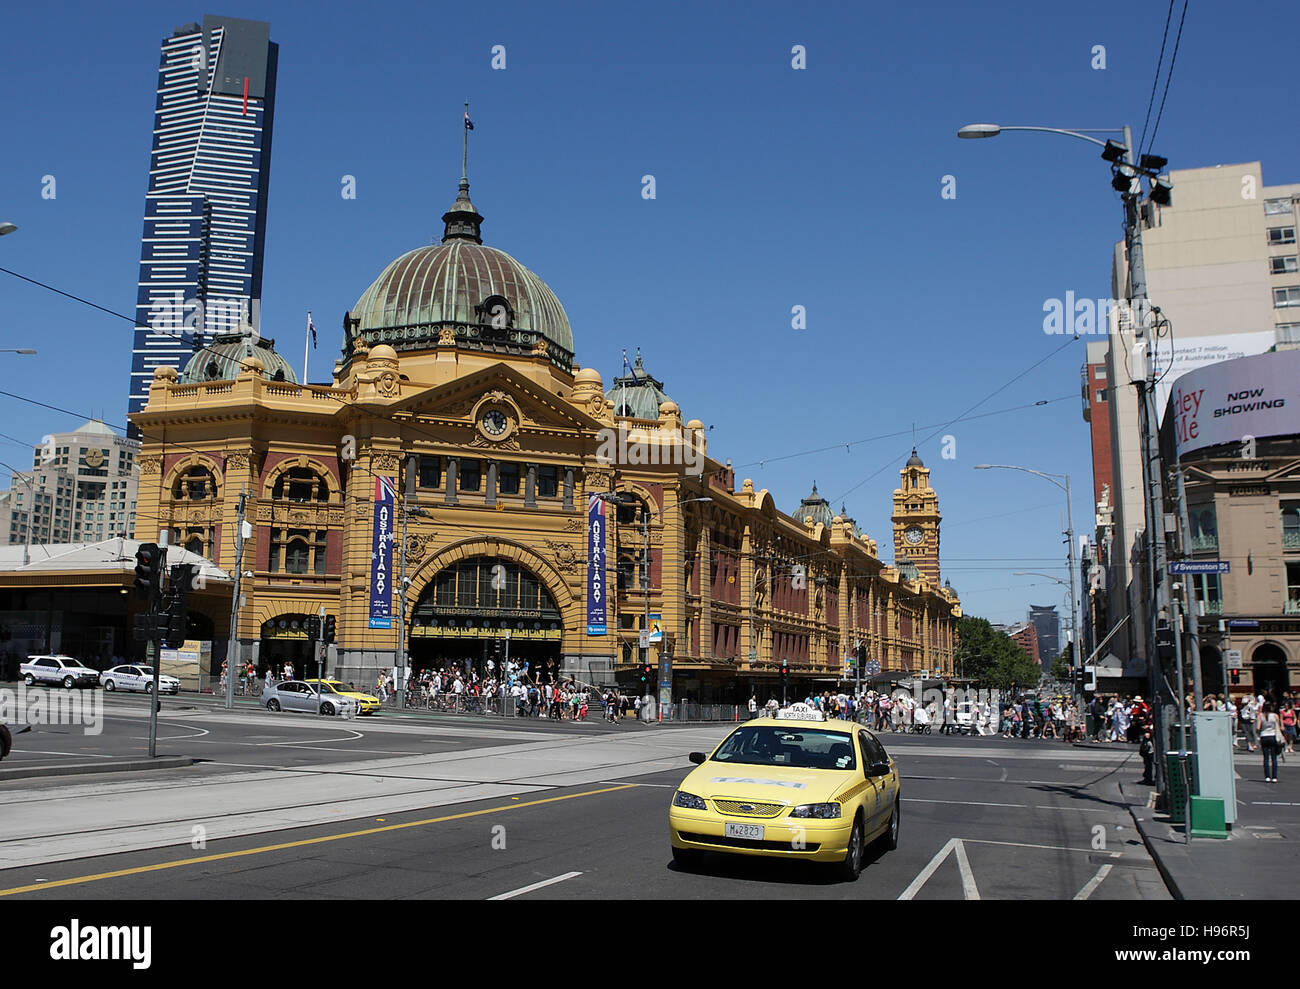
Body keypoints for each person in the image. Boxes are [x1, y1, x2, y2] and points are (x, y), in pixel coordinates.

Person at [1258, 701, 1283, 782]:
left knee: (1265, 758)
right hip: (1273, 736)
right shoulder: (1275, 716)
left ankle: (1267, 776)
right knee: (1274, 757)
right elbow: (1279, 727)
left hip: (1264, 736)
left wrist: (1258, 734)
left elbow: (1258, 728)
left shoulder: (1260, 716)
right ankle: (1274, 777)